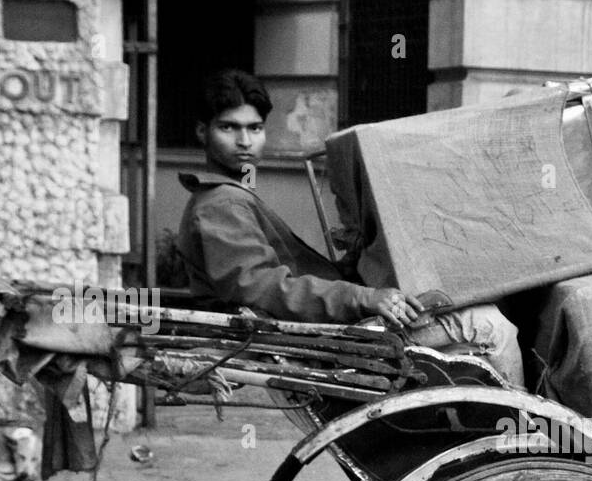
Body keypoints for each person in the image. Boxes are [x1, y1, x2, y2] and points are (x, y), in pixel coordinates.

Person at [176, 69, 524, 386]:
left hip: (317, 332)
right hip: (317, 342)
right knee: (489, 326)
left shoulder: (229, 196)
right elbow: (268, 290)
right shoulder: (222, 204)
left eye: (254, 128)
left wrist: (359, 256)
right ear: (202, 132)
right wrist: (365, 297)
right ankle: (525, 435)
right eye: (229, 128)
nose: (244, 141)